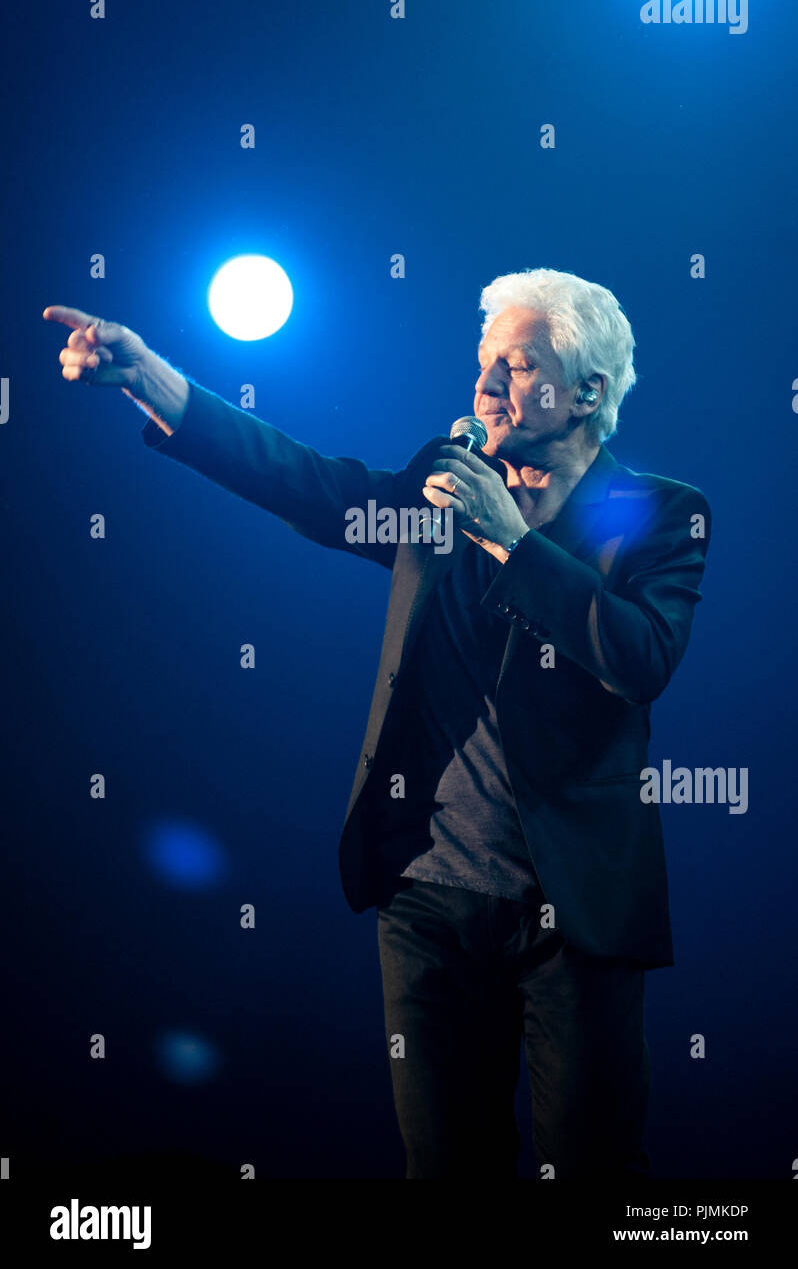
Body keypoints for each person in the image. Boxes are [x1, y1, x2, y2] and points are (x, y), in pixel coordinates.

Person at [43, 267, 712, 1179]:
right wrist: (154, 378)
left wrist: (509, 540)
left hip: (575, 917)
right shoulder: (445, 482)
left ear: (587, 390)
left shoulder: (664, 514)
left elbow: (641, 659)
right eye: (483, 364)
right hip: (427, 898)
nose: (484, 388)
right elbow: (314, 489)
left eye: (517, 366)